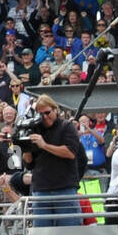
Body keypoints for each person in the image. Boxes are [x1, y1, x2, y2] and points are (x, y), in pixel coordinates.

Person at [24, 93, 82, 227]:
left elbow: (70, 153)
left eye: (47, 112)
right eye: (40, 114)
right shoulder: (34, 129)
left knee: (69, 232)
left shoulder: (67, 126)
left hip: (64, 187)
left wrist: (44, 145)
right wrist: (24, 145)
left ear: (55, 109)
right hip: (41, 188)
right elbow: (29, 163)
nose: (45, 117)